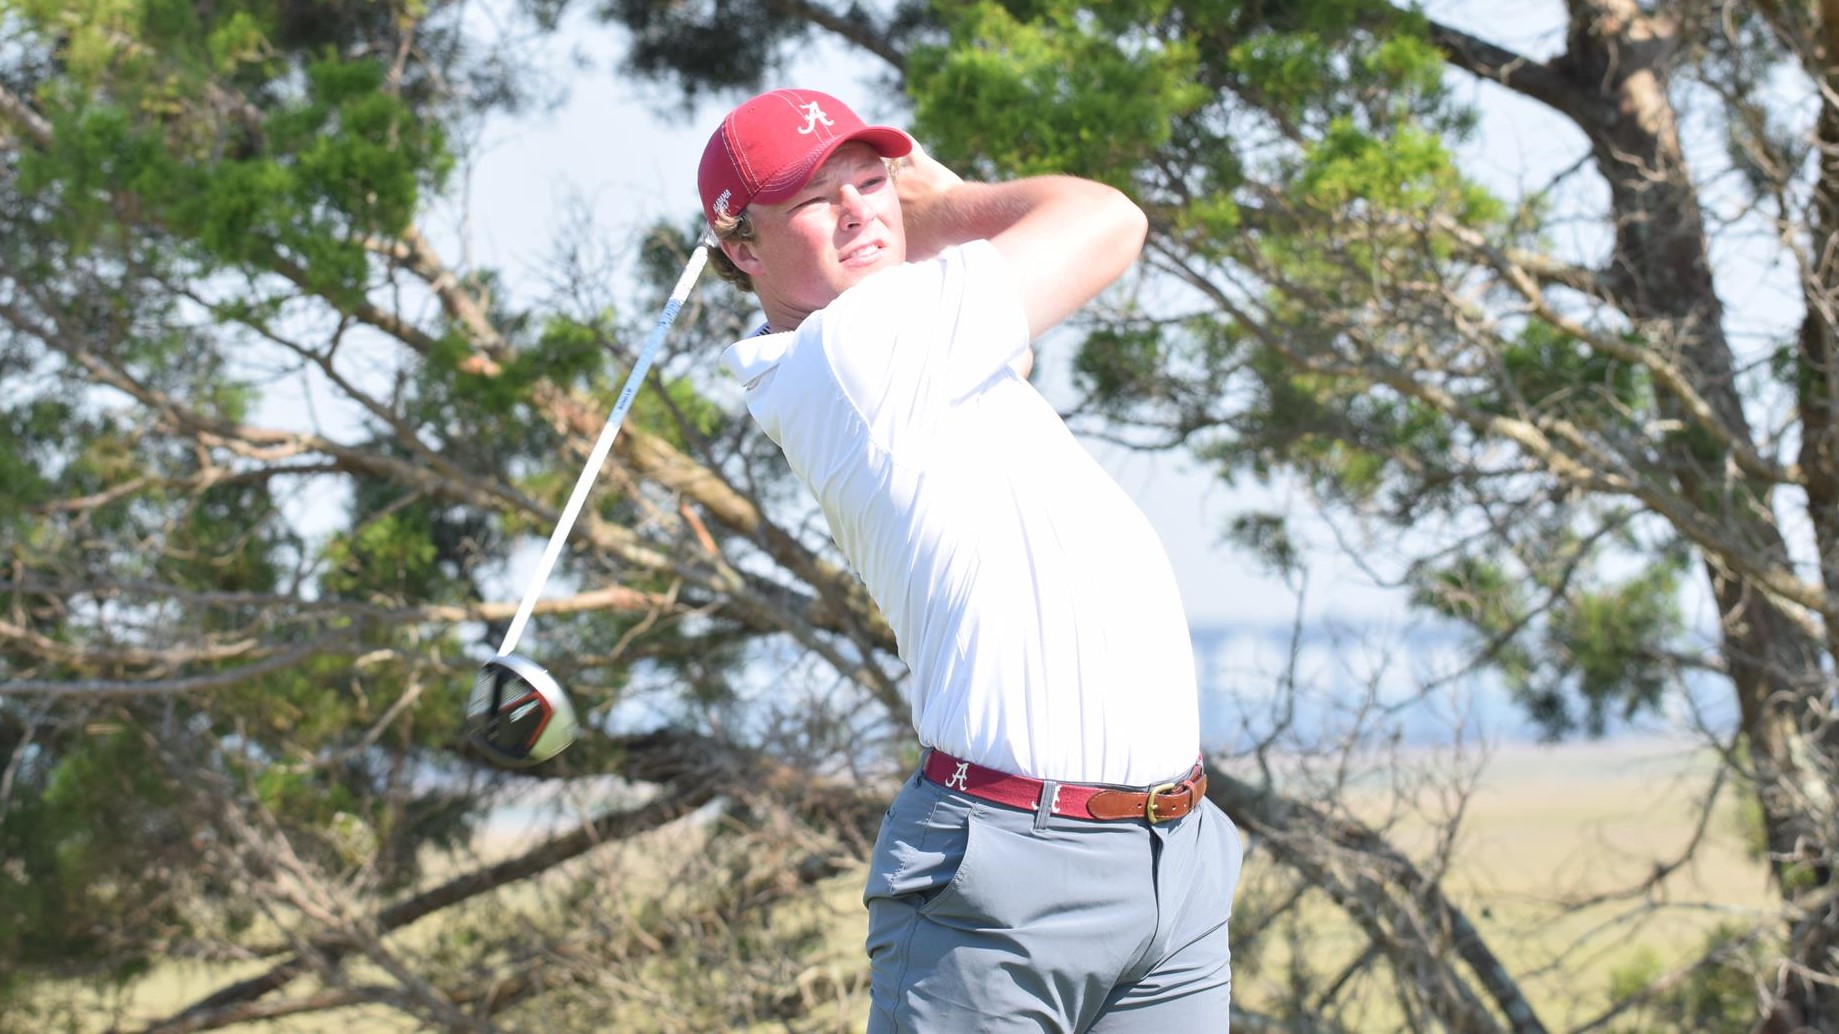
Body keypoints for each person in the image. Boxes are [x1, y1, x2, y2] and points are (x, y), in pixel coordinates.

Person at [697, 87, 1243, 1032]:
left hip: (1173, 861)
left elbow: (1016, 346)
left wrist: (908, 218)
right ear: (743, 247)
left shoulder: (922, 347)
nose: (863, 208)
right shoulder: (854, 352)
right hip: (1008, 875)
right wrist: (940, 206)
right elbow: (1108, 219)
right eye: (819, 200)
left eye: (872, 180)